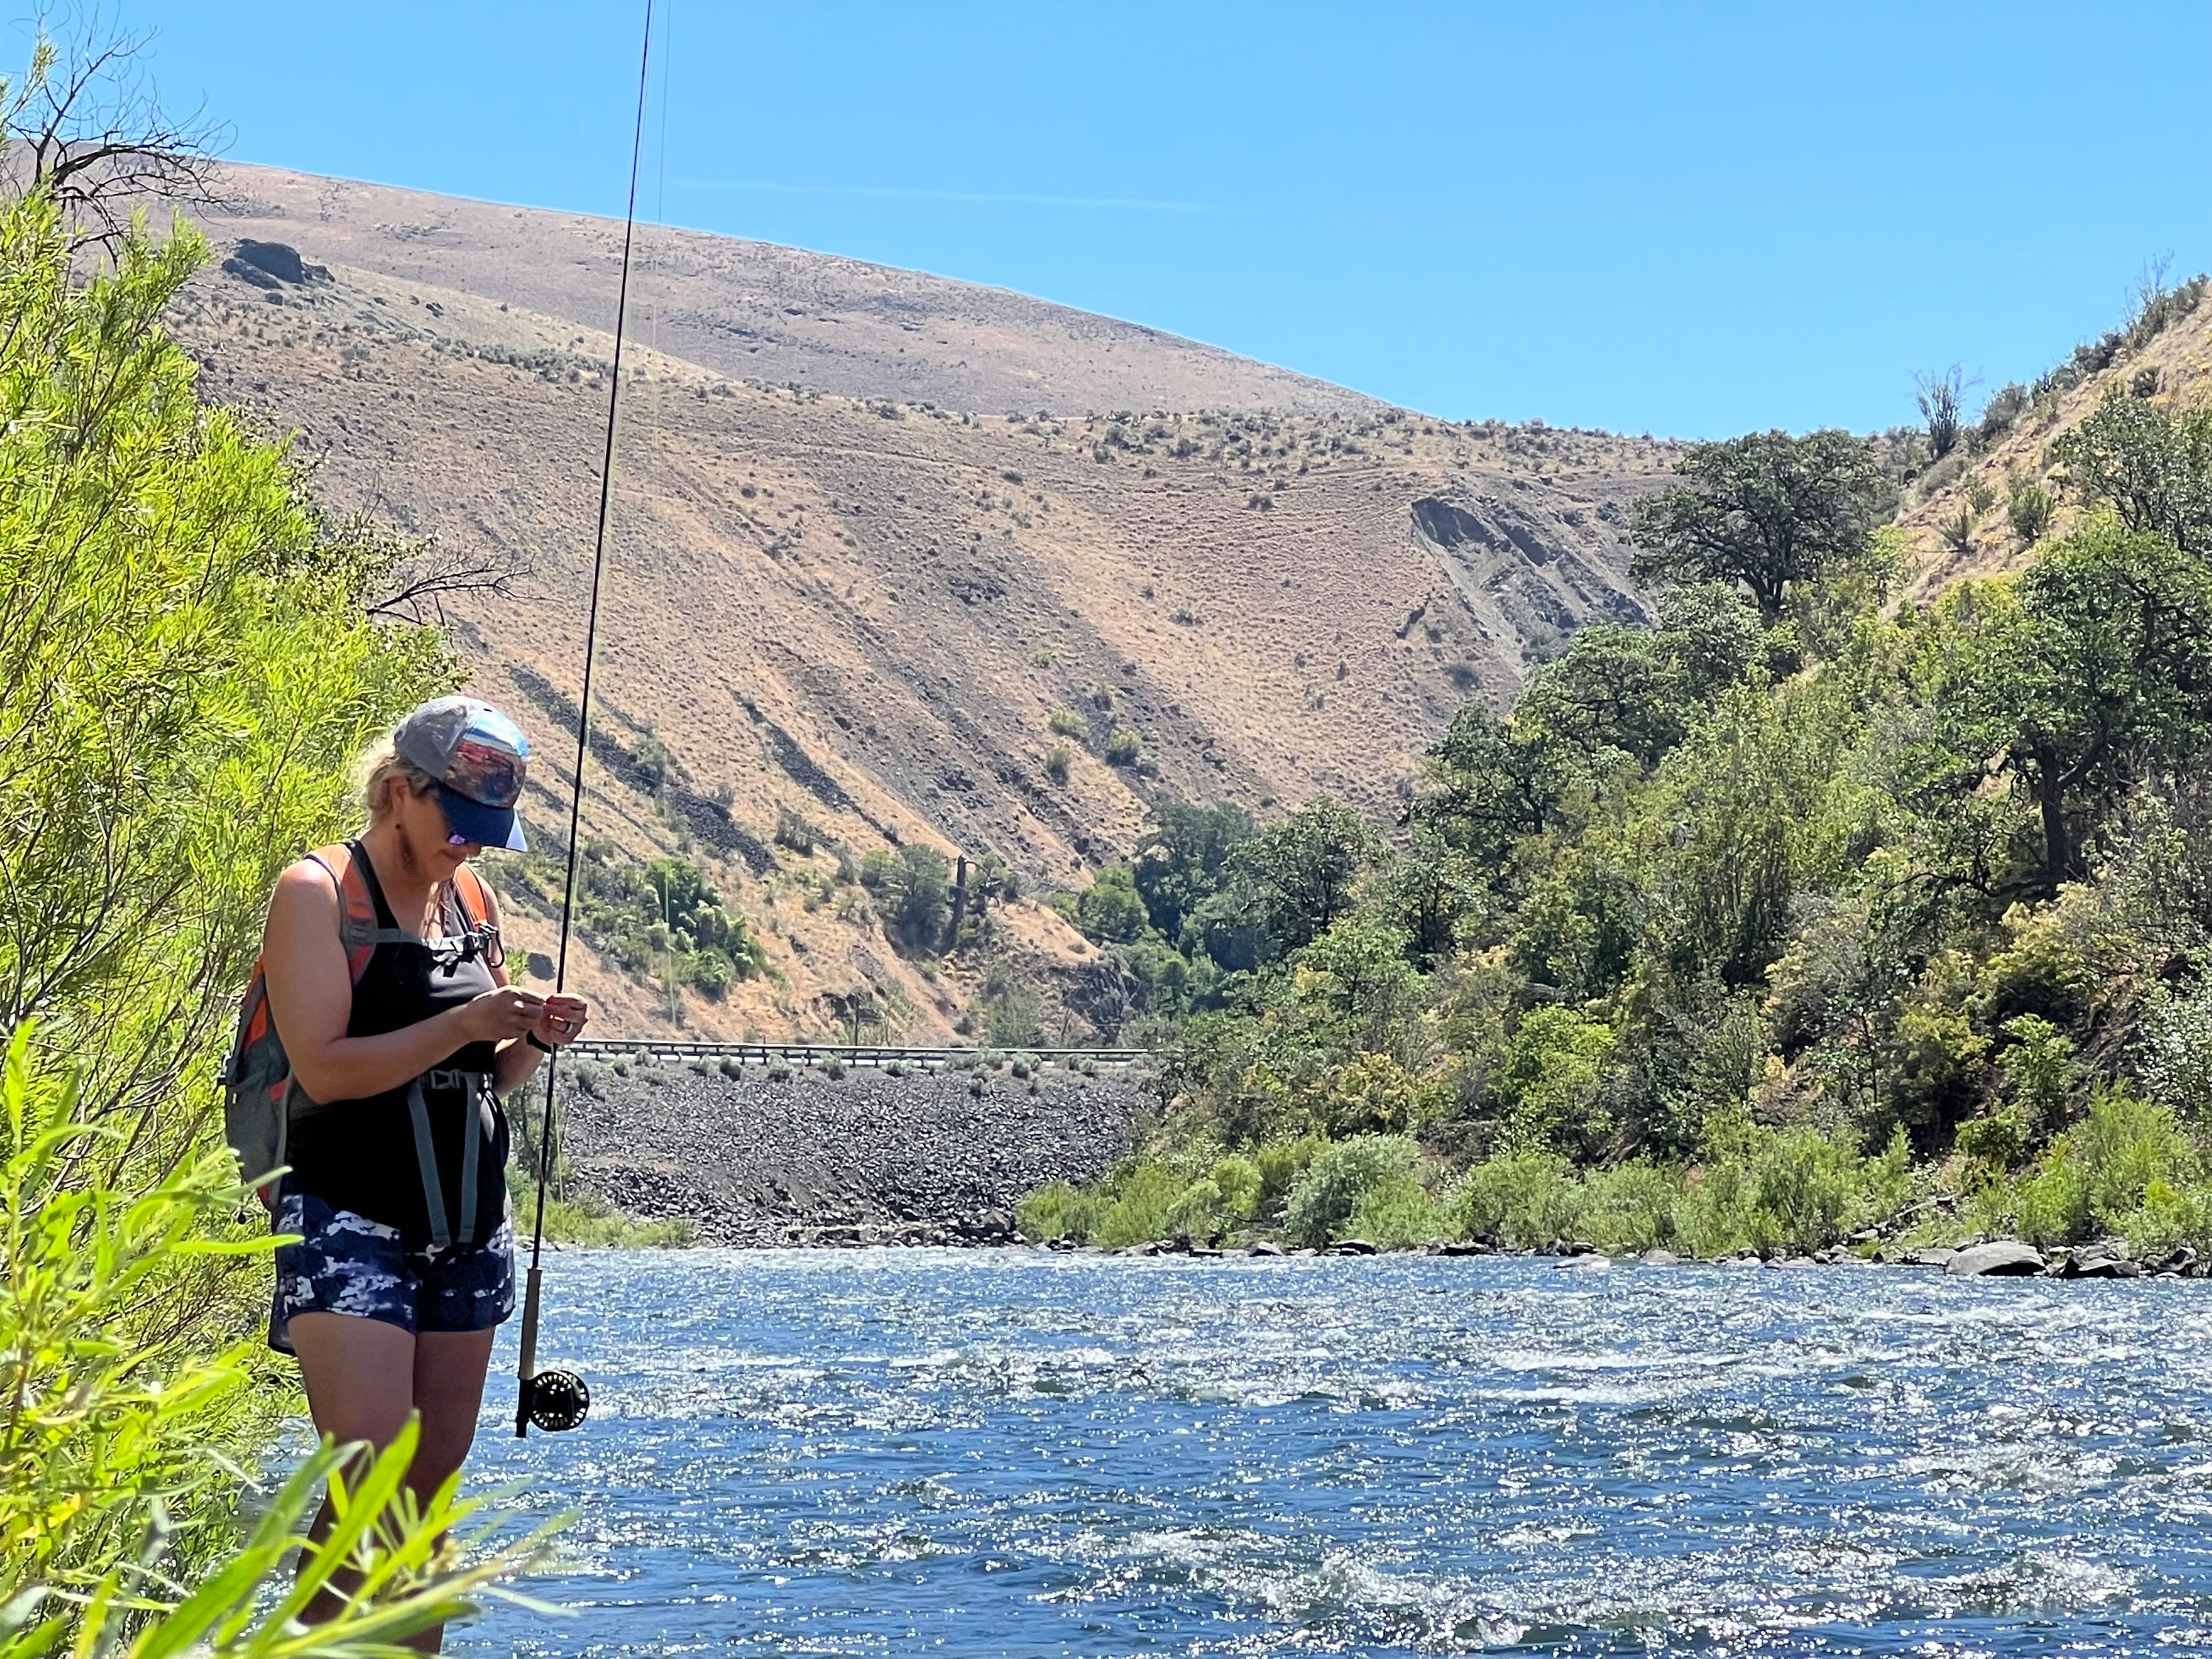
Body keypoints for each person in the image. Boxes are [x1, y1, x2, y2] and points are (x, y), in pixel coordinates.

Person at [257, 696, 588, 1650]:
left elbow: (490, 1075)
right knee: (367, 1479)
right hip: (347, 1214)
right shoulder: (317, 892)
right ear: (400, 790)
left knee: (426, 1490)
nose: (469, 845)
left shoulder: (472, 901)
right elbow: (325, 1069)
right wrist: (463, 1023)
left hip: (468, 1224)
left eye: (487, 830)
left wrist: (532, 1036)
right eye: (458, 820)